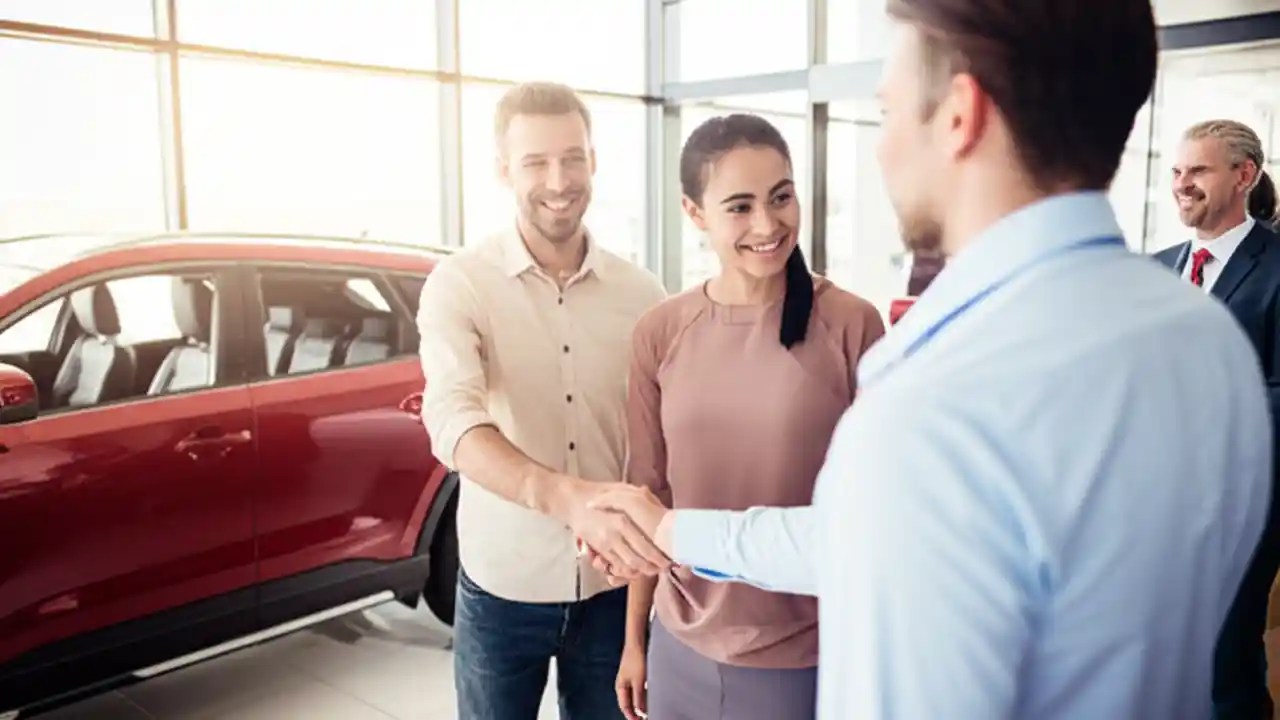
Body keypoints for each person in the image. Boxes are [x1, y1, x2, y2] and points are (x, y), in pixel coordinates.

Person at [589, 1, 1273, 718]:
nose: (882, 148)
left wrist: (668, 530)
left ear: (958, 115)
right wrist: (670, 530)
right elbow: (875, 541)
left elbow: (878, 571)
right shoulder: (1209, 341)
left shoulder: (940, 395)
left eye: (888, 110)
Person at [613, 114, 884, 720]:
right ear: (694, 212)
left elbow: (875, 508)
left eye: (781, 197)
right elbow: (648, 495)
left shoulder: (851, 325)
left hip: (807, 658)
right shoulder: (661, 331)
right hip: (680, 646)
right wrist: (635, 642)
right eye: (740, 206)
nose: (768, 224)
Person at [416, 81, 668, 720]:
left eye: (572, 157)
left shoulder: (643, 294)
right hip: (503, 586)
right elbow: (451, 418)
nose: (558, 180)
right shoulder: (460, 284)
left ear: (593, 159)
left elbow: (660, 445)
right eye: (535, 162)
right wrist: (565, 498)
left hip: (613, 591)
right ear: (503, 170)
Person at [1155, 118, 1280, 720]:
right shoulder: (1152, 270)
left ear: (1244, 176)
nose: (1183, 183)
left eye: (1198, 170)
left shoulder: (1278, 267)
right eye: (1177, 171)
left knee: (1223, 664)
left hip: (1238, 506)